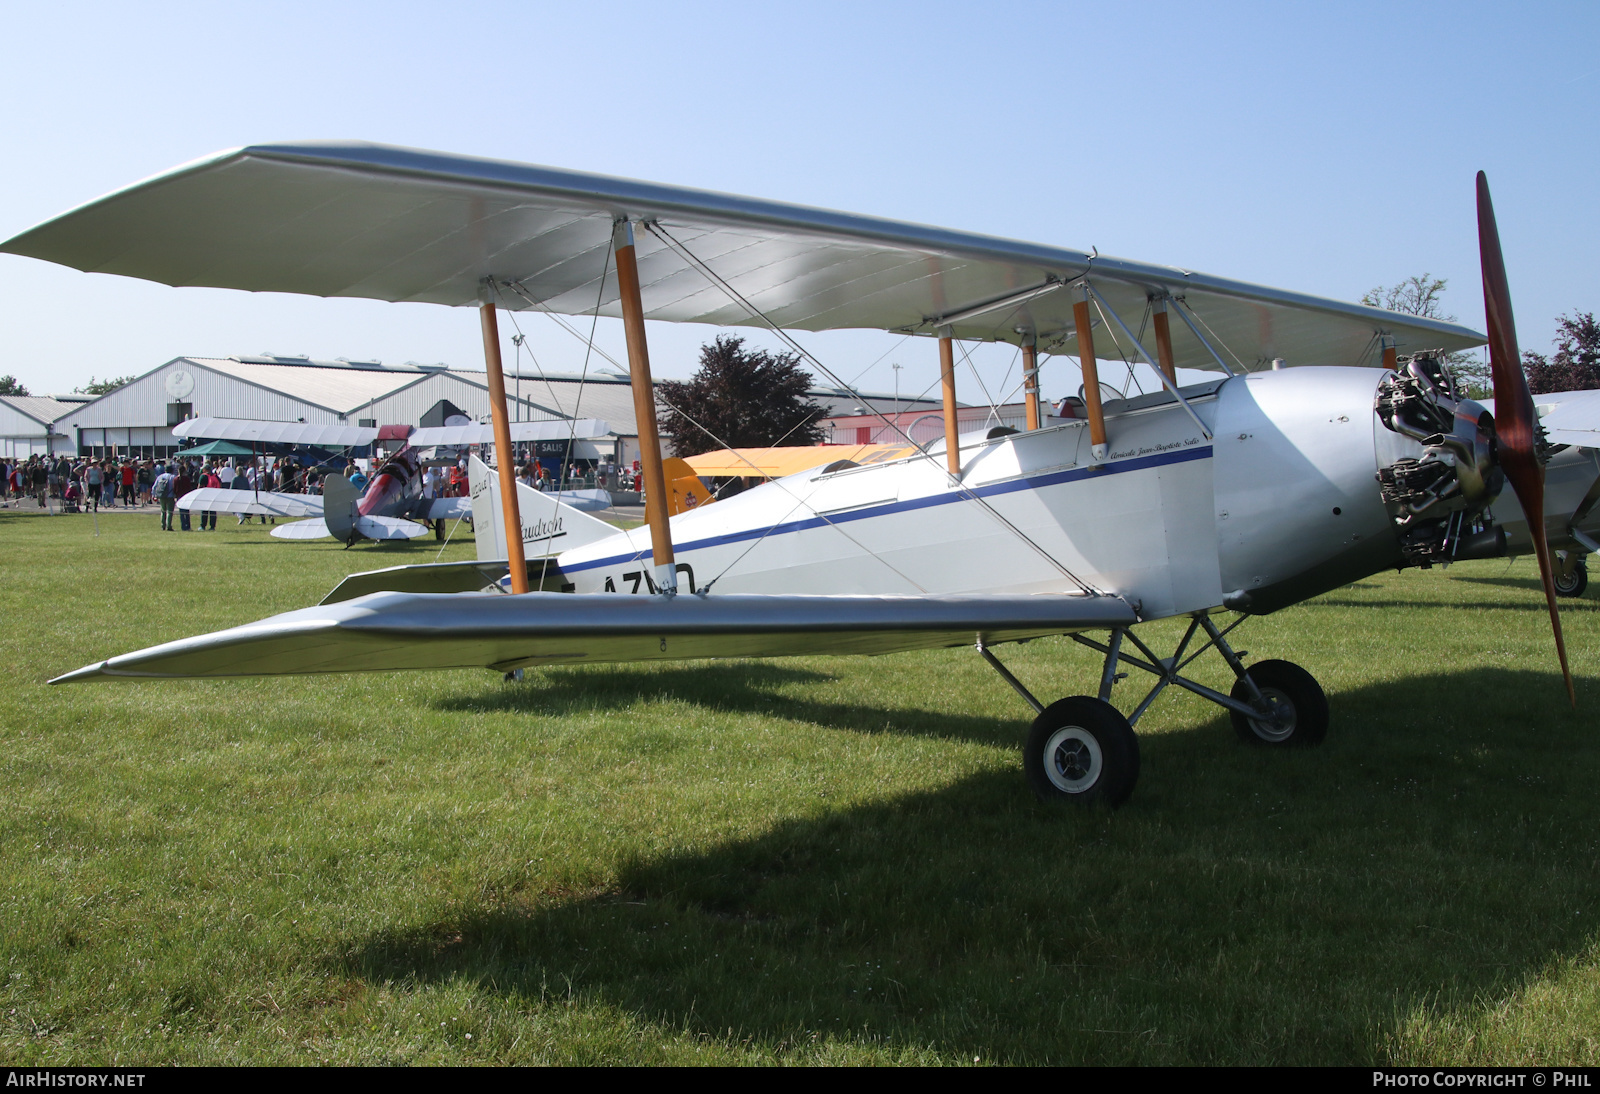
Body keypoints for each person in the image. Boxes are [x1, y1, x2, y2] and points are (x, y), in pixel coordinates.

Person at [153, 465, 177, 530]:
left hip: (161, 495)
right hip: (170, 495)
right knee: (169, 511)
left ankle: (163, 525)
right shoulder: (173, 477)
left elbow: (154, 486)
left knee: (163, 511)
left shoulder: (160, 477)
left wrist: (154, 495)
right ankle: (169, 526)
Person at [174, 463, 194, 530]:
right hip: (186, 496)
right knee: (187, 512)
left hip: (179, 496)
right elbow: (189, 487)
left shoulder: (176, 479)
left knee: (181, 513)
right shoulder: (186, 479)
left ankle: (183, 526)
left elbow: (174, 488)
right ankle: (188, 526)